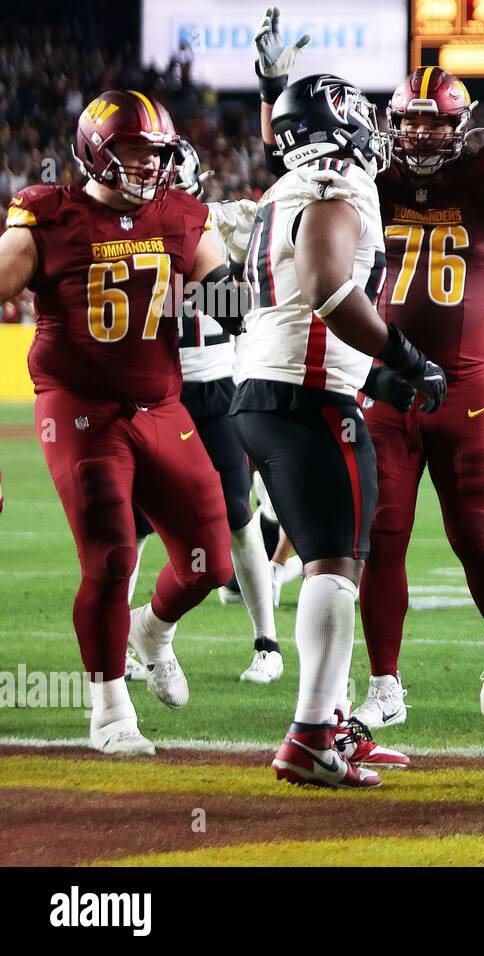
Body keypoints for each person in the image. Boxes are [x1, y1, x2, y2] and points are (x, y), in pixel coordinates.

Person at [253, 12, 484, 732]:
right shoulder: (363, 169)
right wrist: (273, 88)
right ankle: (385, 684)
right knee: (382, 535)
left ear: (461, 126)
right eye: (409, 124)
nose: (419, 136)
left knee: (476, 535)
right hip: (385, 385)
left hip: (466, 389)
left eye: (436, 125)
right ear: (388, 124)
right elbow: (289, 155)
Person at [0, 89, 245, 754]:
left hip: (161, 403)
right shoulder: (48, 216)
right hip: (80, 406)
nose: (146, 167)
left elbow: (231, 304)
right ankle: (109, 708)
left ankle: (153, 630)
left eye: (157, 154)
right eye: (132, 152)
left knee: (210, 564)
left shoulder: (181, 214)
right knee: (111, 555)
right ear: (94, 152)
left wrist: (260, 284)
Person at [232, 72, 447, 788]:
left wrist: (379, 376)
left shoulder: (282, 189)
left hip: (269, 391)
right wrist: (409, 359)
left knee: (331, 559)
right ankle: (311, 735)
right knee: (335, 563)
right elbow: (327, 287)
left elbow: (299, 301)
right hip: (306, 397)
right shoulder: (337, 184)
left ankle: (332, 726)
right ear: (340, 121)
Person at [124, 137, 281, 683]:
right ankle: (122, 639)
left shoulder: (222, 223)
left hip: (216, 385)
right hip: (157, 392)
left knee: (239, 515)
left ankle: (267, 642)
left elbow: (252, 277)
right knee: (133, 524)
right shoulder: (125, 231)